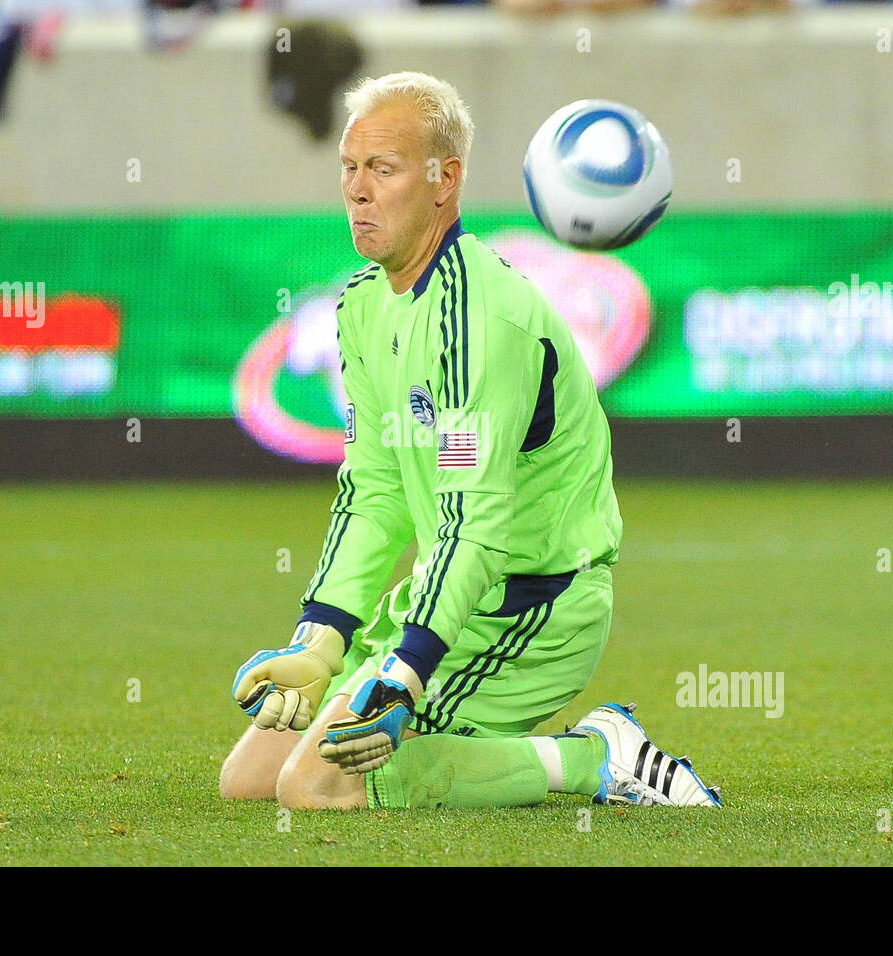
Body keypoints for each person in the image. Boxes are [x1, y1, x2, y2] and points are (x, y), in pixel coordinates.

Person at [220, 71, 721, 811]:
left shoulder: (483, 321)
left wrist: (410, 667)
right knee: (250, 782)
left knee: (318, 786)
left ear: (443, 181)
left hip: (531, 606)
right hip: (447, 595)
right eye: (349, 169)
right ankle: (445, 715)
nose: (357, 191)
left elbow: (476, 525)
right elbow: (375, 491)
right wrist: (321, 639)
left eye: (383, 170)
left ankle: (593, 757)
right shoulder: (361, 308)